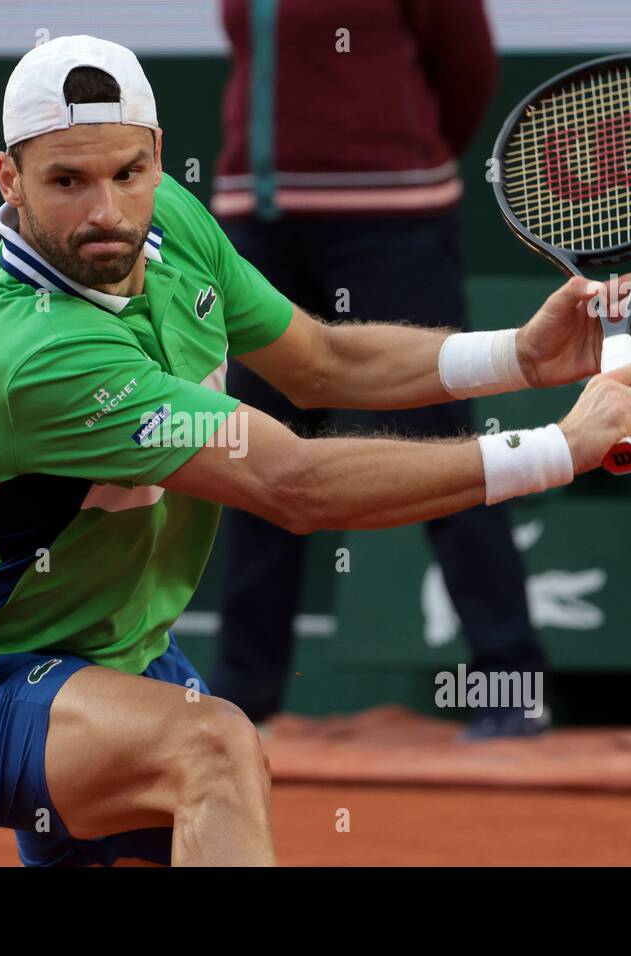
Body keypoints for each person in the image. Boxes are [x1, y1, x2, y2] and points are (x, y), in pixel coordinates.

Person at [0, 35, 631, 867]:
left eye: (127, 174)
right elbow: (295, 485)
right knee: (211, 750)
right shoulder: (30, 356)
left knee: (226, 772)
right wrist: (562, 446)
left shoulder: (168, 226)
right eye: (67, 181)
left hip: (125, 663)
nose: (105, 211)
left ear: (157, 160)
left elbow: (322, 362)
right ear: (11, 178)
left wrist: (522, 359)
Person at [210, 0, 546, 737]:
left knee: (437, 440)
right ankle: (243, 696)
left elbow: (467, 68)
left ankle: (509, 681)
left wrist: (400, 157)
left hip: (390, 219)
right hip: (255, 227)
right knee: (254, 449)